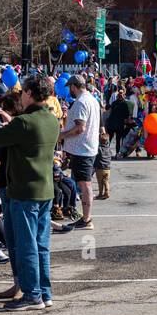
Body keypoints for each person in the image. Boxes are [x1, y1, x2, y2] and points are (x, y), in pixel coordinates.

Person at [0, 84, 62, 309]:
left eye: (24, 92)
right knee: (41, 245)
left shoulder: (25, 122)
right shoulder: (52, 120)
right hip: (45, 190)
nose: (22, 96)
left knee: (27, 245)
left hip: (24, 191)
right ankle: (45, 293)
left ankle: (32, 294)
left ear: (29, 94)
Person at [55, 74, 100, 233]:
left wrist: (62, 135)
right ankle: (86, 218)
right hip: (86, 148)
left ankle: (87, 219)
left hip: (83, 149)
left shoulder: (81, 102)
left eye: (70, 88)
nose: (69, 90)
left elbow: (80, 127)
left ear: (74, 86)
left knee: (84, 183)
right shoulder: (92, 99)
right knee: (83, 182)